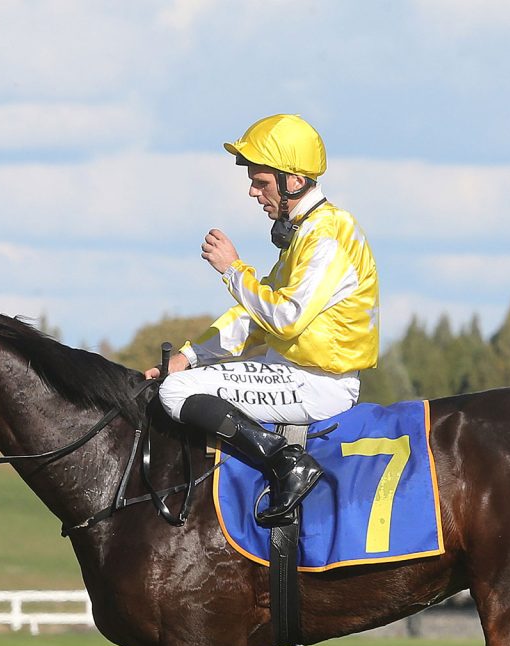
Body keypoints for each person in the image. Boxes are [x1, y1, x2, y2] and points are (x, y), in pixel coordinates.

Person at [145, 113, 379, 525]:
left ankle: (287, 463)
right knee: (178, 379)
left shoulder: (326, 236)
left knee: (176, 394)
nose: (253, 193)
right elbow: (253, 319)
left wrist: (233, 269)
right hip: (293, 373)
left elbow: (286, 318)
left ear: (294, 181)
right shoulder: (304, 235)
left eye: (262, 182)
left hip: (319, 383)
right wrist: (188, 356)